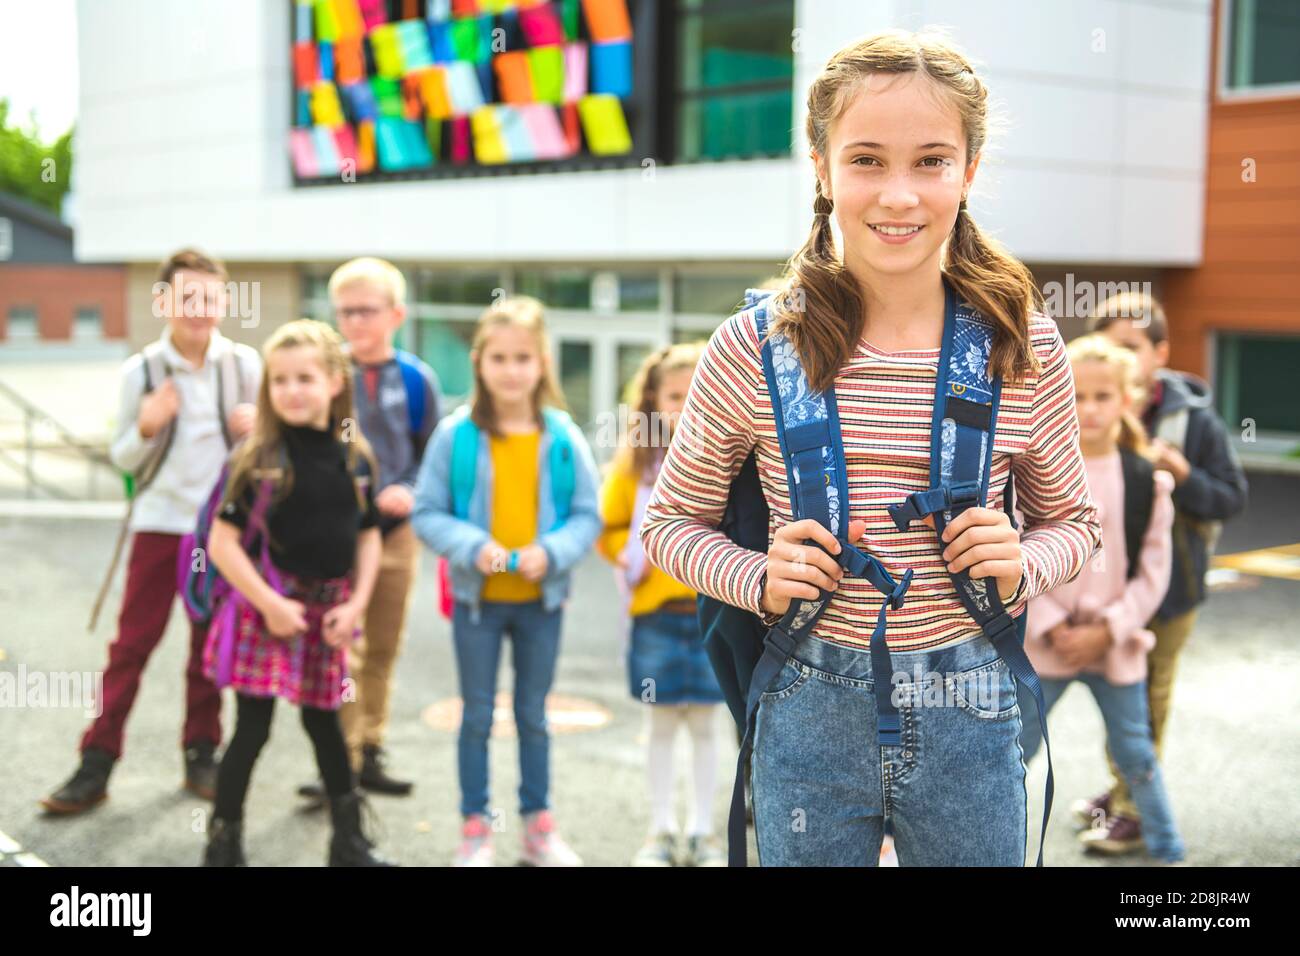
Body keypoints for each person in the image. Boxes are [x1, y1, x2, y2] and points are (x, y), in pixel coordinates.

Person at [639, 30, 1102, 866]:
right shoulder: (751, 347)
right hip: (808, 707)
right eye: (866, 160)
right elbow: (669, 522)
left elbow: (1076, 522)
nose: (899, 195)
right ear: (821, 167)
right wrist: (755, 576)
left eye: (930, 161)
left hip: (971, 700)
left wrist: (1024, 561)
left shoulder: (1020, 344)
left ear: (968, 169)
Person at [42, 249, 259, 815]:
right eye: (186, 297)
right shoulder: (140, 371)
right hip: (160, 527)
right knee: (131, 646)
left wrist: (256, 435)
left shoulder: (245, 367)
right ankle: (97, 761)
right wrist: (144, 425)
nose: (198, 308)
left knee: (207, 651)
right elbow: (123, 459)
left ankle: (201, 753)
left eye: (209, 297)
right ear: (164, 301)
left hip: (221, 534)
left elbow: (266, 460)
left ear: (224, 302)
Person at [412, 296, 601, 866]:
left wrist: (552, 551)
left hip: (541, 603)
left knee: (532, 716)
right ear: (479, 362)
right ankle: (476, 829)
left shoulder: (564, 437)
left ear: (541, 362)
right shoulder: (455, 435)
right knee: (474, 716)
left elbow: (588, 515)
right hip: (478, 604)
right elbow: (426, 511)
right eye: (499, 358)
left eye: (523, 357)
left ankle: (538, 827)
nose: (511, 369)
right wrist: (475, 547)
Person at [200, 319, 394, 867]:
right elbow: (222, 542)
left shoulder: (355, 459)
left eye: (305, 377)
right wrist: (270, 604)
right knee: (252, 728)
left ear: (335, 382)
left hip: (329, 609)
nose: (291, 390)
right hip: (267, 607)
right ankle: (222, 844)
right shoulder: (257, 459)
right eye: (279, 379)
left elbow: (369, 537)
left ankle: (349, 842)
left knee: (326, 724)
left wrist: (355, 604)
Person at [1076, 292, 1248, 850]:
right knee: (1114, 696)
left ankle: (1134, 812)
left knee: (1146, 698)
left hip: (1170, 590)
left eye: (1127, 346)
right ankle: (1120, 788)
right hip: (1101, 589)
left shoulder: (1193, 421)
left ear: (1159, 353)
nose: (1112, 356)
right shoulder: (1084, 405)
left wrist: (1184, 473)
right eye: (1104, 344)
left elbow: (1230, 497)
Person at [1016, 333, 1185, 864]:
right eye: (1078, 395)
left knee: (1136, 755)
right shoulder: (1035, 476)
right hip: (1047, 648)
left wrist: (1107, 628)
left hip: (1117, 647)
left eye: (1103, 396)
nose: (1089, 408)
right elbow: (1017, 552)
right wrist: (1050, 623)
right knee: (1010, 753)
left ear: (1129, 398)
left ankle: (1169, 850)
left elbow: (1153, 574)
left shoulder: (1147, 483)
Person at [297, 257, 442, 805]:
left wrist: (408, 487)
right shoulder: (327, 376)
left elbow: (432, 455)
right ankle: (339, 759)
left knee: (381, 646)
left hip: (395, 533)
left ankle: (370, 749)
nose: (355, 322)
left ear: (396, 314)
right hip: (337, 533)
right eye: (345, 312)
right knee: (340, 648)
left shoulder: (415, 379)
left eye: (367, 311)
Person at [597, 343, 728, 867]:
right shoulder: (635, 466)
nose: (685, 403)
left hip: (710, 614)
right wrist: (638, 555)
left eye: (694, 391)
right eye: (674, 395)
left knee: (704, 726)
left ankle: (701, 831)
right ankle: (659, 829)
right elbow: (608, 530)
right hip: (655, 614)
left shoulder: (728, 457)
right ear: (654, 401)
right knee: (659, 725)